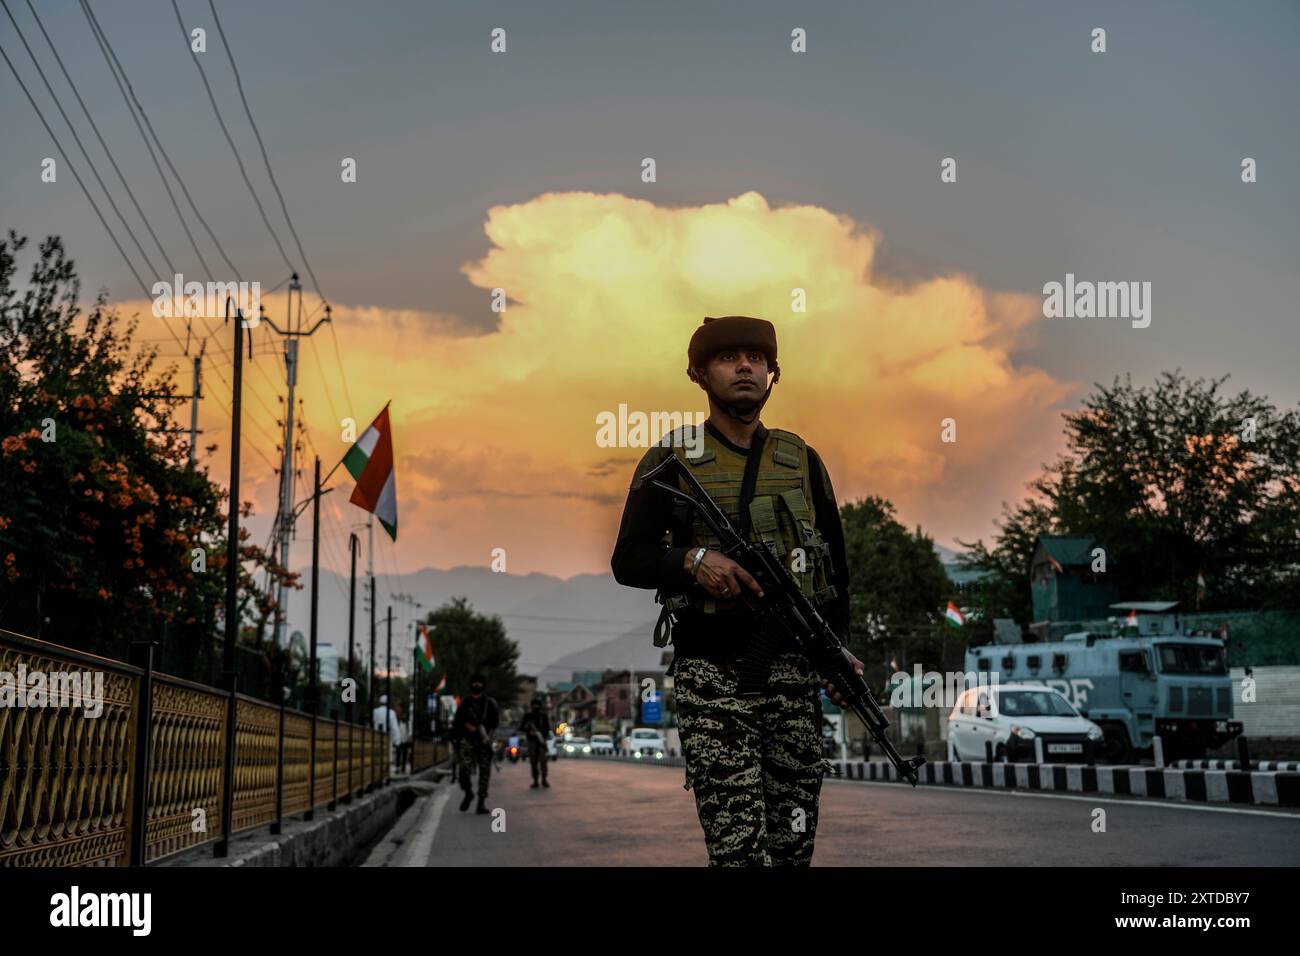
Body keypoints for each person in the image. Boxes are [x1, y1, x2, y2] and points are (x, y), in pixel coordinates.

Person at [611, 315, 863, 866]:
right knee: (738, 851)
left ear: (774, 372)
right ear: (699, 374)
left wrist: (837, 649)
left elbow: (836, 575)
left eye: (756, 357)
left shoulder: (801, 462)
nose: (745, 366)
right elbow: (628, 558)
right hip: (712, 673)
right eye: (728, 358)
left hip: (794, 674)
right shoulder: (670, 460)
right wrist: (692, 560)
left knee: (794, 847)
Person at [450, 673, 499, 813]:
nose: (477, 685)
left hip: (484, 743)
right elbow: (458, 721)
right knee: (463, 773)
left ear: (483, 685)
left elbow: (494, 724)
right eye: (474, 682)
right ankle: (468, 793)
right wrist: (467, 726)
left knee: (484, 774)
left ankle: (481, 803)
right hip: (468, 742)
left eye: (479, 683)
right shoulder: (465, 703)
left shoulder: (490, 703)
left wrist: (488, 737)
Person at [517, 697, 551, 789]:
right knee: (533, 762)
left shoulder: (543, 716)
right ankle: (535, 780)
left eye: (537, 705)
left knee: (543, 761)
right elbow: (521, 727)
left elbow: (548, 728)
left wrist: (541, 734)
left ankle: (544, 779)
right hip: (532, 742)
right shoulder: (528, 716)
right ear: (531, 706)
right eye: (534, 705)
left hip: (541, 741)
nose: (536, 706)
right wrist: (529, 731)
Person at [371, 694, 403, 775]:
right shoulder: (391, 713)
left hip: (375, 739)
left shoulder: (375, 712)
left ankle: (377, 775)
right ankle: (384, 776)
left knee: (376, 759)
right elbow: (395, 728)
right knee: (386, 759)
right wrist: (397, 741)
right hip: (387, 740)